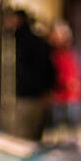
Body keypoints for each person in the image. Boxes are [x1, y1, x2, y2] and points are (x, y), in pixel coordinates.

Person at [6, 8, 55, 142]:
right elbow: (50, 69)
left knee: (22, 138)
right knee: (34, 137)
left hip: (23, 97)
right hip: (37, 97)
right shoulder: (38, 41)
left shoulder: (14, 42)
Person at [49, 21, 81, 137]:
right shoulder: (51, 54)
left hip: (72, 98)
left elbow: (75, 73)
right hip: (57, 97)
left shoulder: (71, 53)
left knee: (72, 134)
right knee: (56, 132)